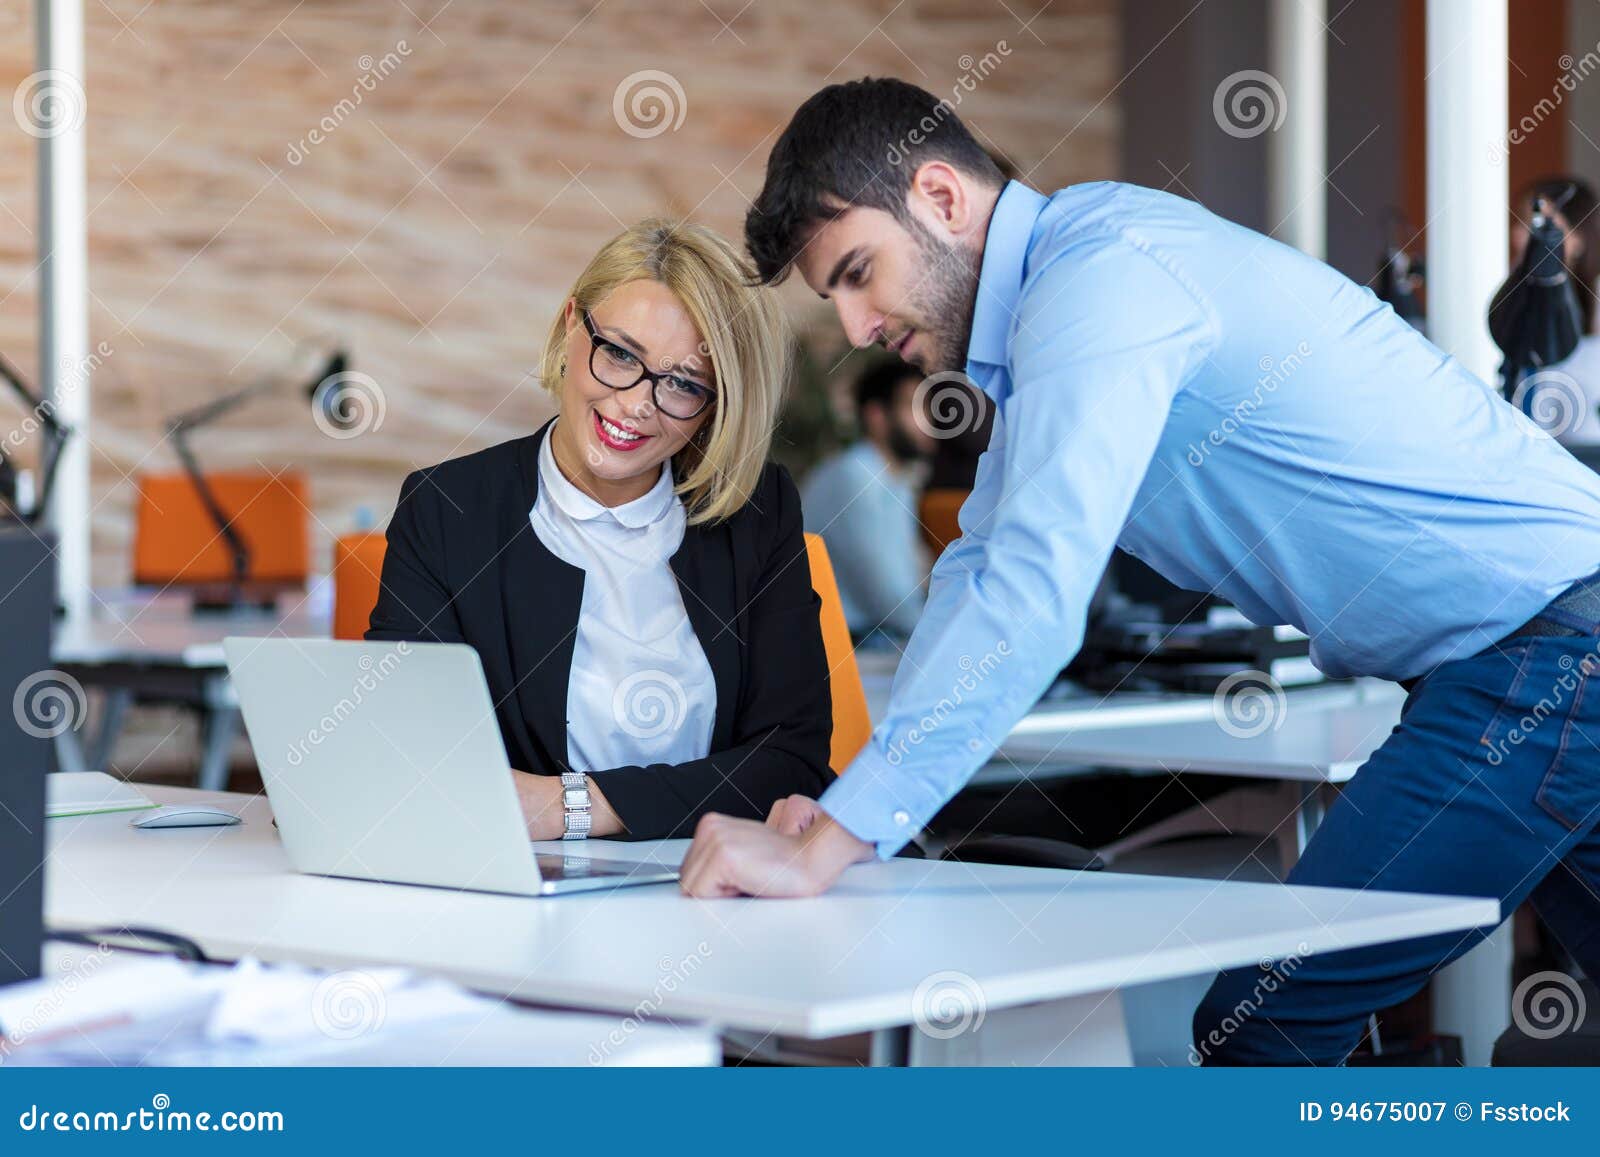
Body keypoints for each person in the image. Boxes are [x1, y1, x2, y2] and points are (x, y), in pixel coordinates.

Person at [676, 78, 1600, 1068]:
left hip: (1543, 654)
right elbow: (983, 565)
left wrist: (834, 844)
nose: (857, 327)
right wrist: (851, 807)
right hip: (1534, 648)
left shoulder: (1099, 280)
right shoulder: (1062, 305)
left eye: (859, 272)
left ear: (939, 198)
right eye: (835, 296)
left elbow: (1032, 591)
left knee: (1265, 1020)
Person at [367, 219, 831, 842]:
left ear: (717, 406)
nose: (638, 402)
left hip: (707, 888)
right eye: (620, 353)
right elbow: (410, 750)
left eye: (684, 384)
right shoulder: (447, 508)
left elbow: (790, 764)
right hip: (513, 895)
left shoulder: (756, 512)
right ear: (570, 328)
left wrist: (568, 806)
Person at [800, 357, 933, 640]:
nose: (928, 419)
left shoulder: (897, 480)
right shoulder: (853, 478)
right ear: (877, 416)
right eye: (914, 406)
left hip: (880, 635)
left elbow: (914, 581)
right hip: (848, 645)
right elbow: (888, 597)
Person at [1508, 176, 1600, 446]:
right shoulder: (1519, 298)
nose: (1519, 234)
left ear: (1579, 237)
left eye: (1538, 223)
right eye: (1521, 222)